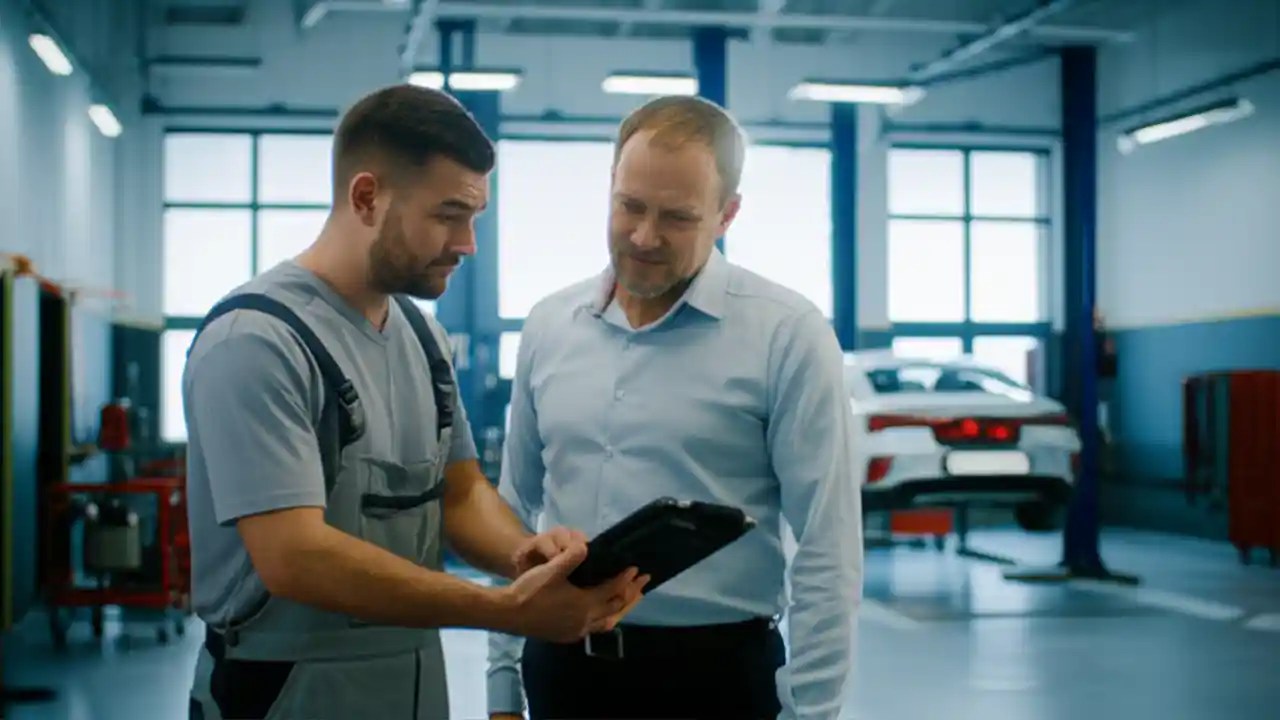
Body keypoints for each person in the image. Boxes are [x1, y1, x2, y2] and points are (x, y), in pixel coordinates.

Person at [182, 84, 648, 720]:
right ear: (366, 197)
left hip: (413, 679)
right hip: (284, 686)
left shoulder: (422, 336)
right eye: (448, 215)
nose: (467, 243)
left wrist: (524, 555)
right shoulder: (256, 342)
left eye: (474, 217)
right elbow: (294, 557)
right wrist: (500, 608)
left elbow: (457, 494)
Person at [486, 95, 863, 720]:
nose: (644, 236)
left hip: (714, 681)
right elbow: (512, 510)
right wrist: (503, 684)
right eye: (629, 206)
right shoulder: (550, 325)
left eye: (677, 217)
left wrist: (813, 714)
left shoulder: (786, 334)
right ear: (610, 184)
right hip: (560, 671)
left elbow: (828, 548)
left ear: (727, 214)